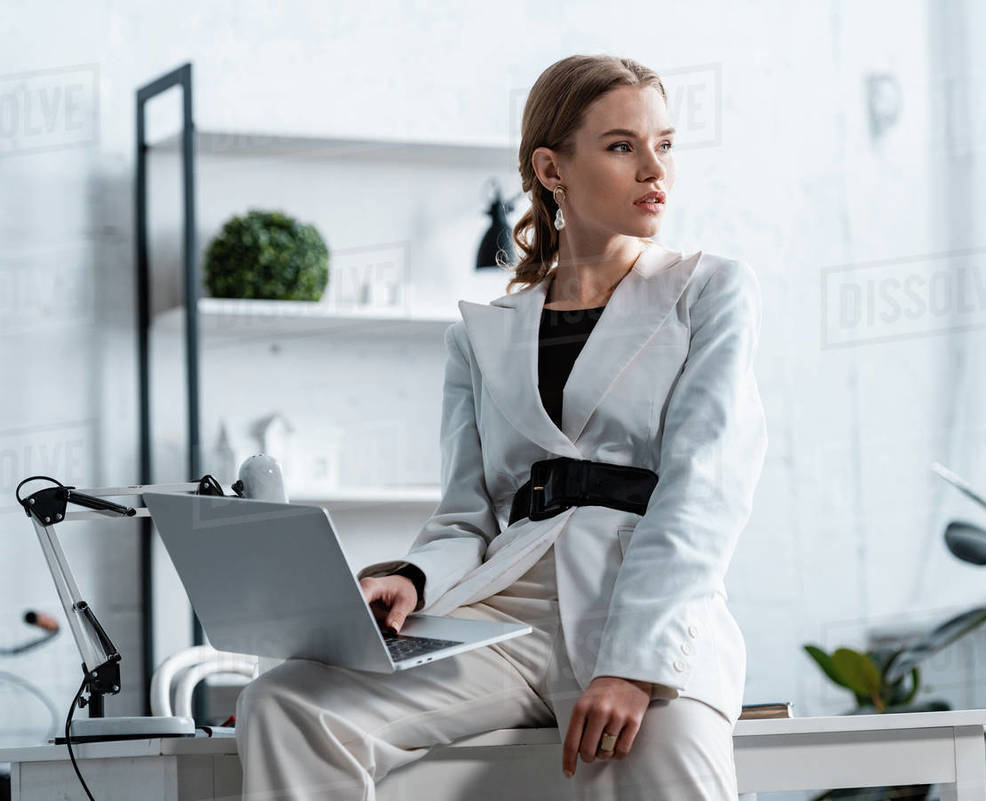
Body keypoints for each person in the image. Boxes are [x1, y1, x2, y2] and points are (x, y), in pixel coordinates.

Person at [235, 53, 768, 801]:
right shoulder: (482, 337)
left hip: (641, 606)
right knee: (286, 703)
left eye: (666, 144)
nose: (656, 169)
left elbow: (705, 489)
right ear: (552, 169)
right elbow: (465, 517)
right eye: (622, 146)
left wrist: (633, 665)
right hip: (502, 612)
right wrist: (413, 576)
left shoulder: (707, 292)